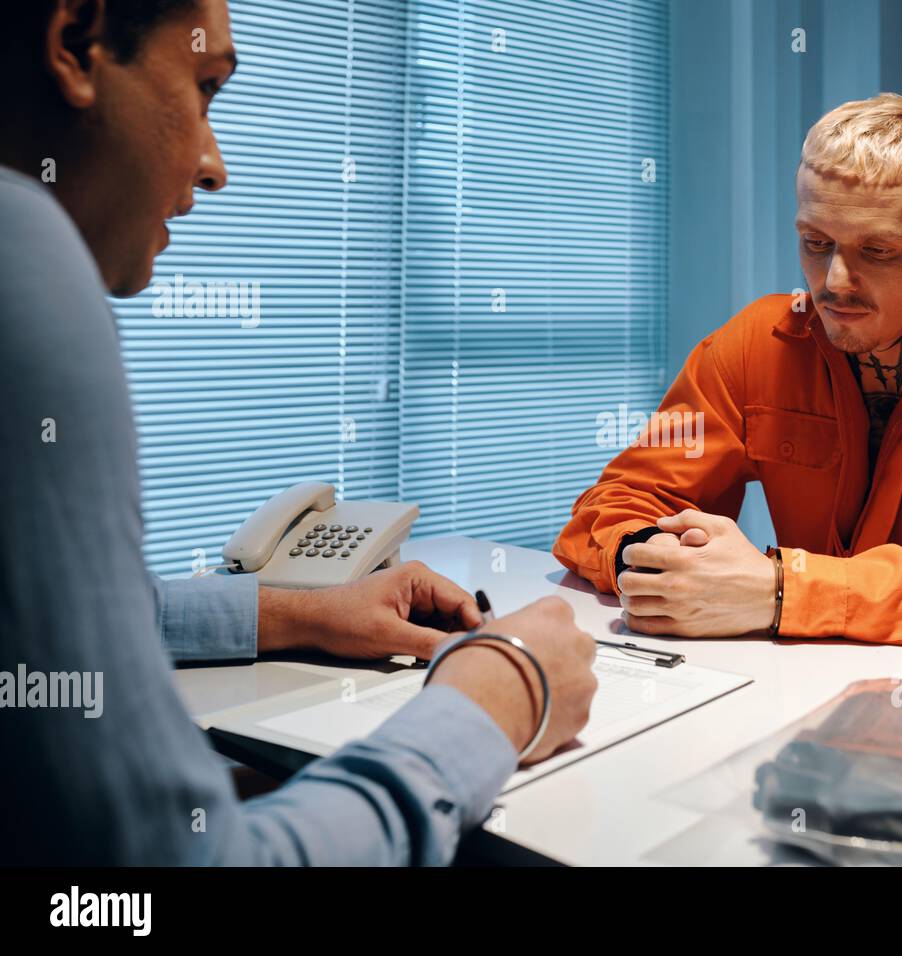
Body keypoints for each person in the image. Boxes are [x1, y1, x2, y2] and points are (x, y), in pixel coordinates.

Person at [0, 0, 597, 865]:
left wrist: (297, 612)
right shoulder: (22, 258)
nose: (215, 167)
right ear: (74, 42)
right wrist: (503, 693)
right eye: (206, 90)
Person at [554, 94, 902, 649]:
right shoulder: (757, 344)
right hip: (803, 689)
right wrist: (650, 558)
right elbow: (615, 504)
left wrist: (783, 591)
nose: (835, 282)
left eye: (878, 252)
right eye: (816, 243)